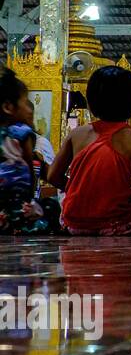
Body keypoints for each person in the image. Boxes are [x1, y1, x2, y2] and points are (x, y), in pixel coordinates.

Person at [49, 65, 131, 236]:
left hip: (73, 223)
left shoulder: (76, 134)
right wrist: (118, 199)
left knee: (63, 195)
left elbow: (52, 176)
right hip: (116, 225)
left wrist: (79, 190)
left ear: (91, 101)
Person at [0, 66, 55, 234]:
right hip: (18, 202)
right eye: (25, 102)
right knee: (52, 207)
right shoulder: (23, 133)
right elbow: (31, 171)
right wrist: (31, 199)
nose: (30, 109)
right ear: (8, 107)